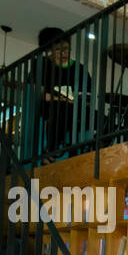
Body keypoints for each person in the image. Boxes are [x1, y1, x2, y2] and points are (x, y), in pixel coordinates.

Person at [37, 27, 90, 161]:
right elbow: (40, 94)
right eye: (58, 49)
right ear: (50, 50)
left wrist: (80, 101)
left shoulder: (80, 68)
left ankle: (95, 152)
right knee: (61, 111)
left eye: (66, 48)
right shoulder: (42, 64)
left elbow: (87, 98)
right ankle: (51, 152)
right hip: (52, 107)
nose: (64, 52)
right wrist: (61, 99)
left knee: (103, 119)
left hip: (76, 108)